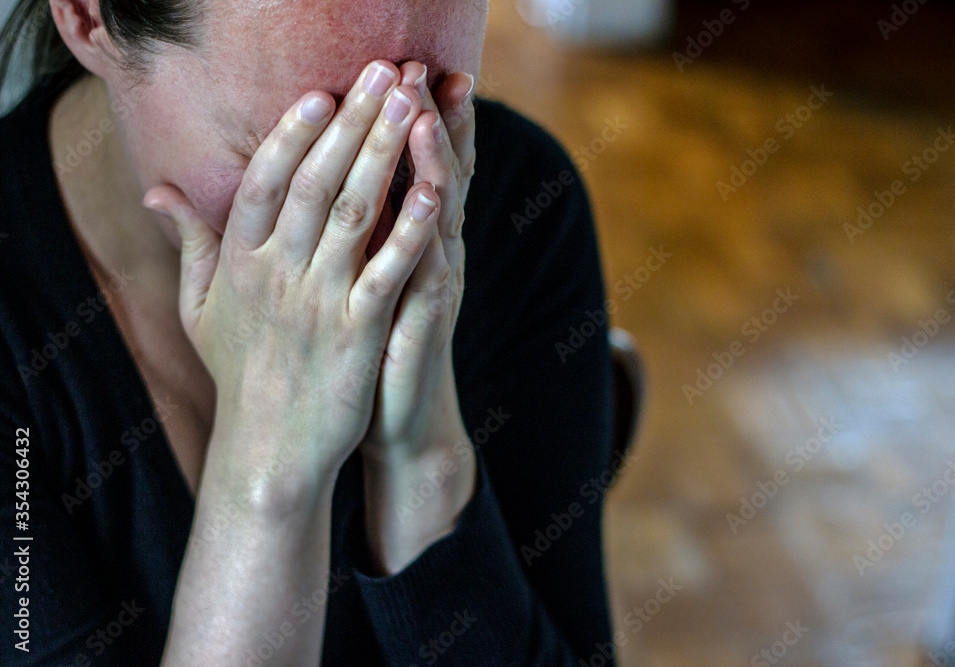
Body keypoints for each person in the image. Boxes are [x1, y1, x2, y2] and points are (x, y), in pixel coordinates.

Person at [0, 1, 616, 664]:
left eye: (419, 130)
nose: (369, 218)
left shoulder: (522, 210)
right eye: (295, 160)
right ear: (88, 18)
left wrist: (421, 454)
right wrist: (267, 480)